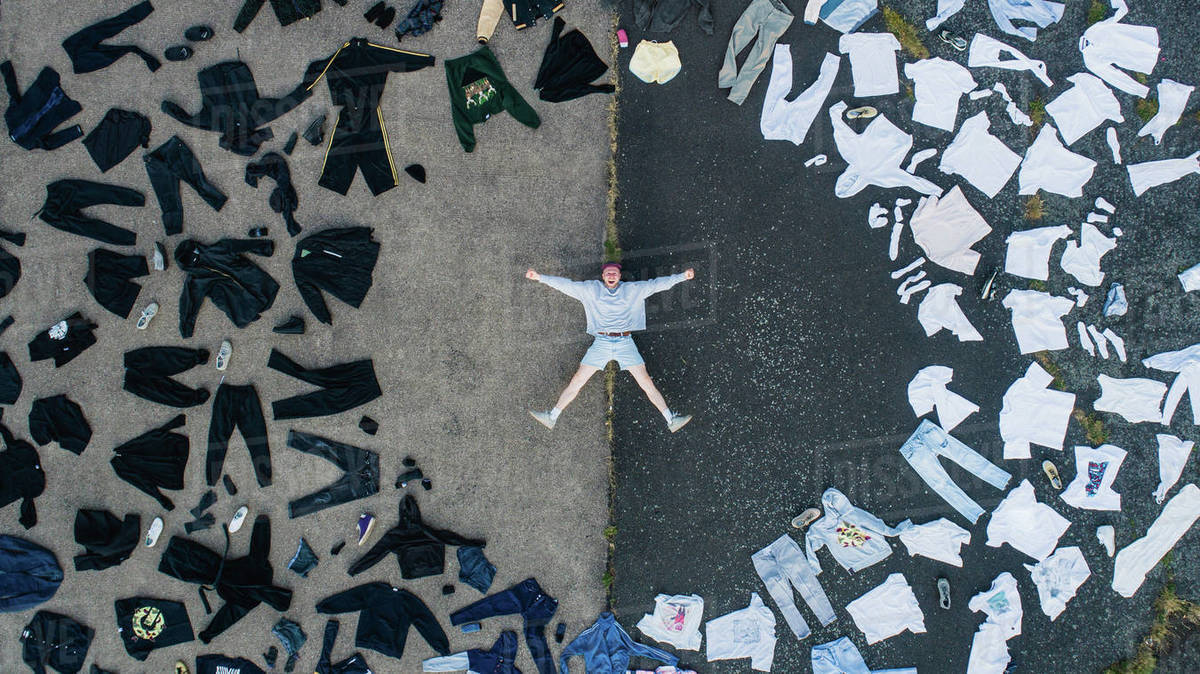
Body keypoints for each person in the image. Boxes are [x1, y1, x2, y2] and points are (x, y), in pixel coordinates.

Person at [526, 262, 695, 432]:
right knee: (578, 380)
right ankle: (552, 417)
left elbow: (657, 285)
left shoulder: (632, 290)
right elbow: (566, 285)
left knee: (646, 381)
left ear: (620, 276)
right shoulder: (591, 290)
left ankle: (670, 419)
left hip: (625, 342)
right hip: (602, 342)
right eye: (608, 273)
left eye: (614, 273)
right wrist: (539, 277)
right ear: (603, 276)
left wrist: (682, 276)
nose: (611, 276)